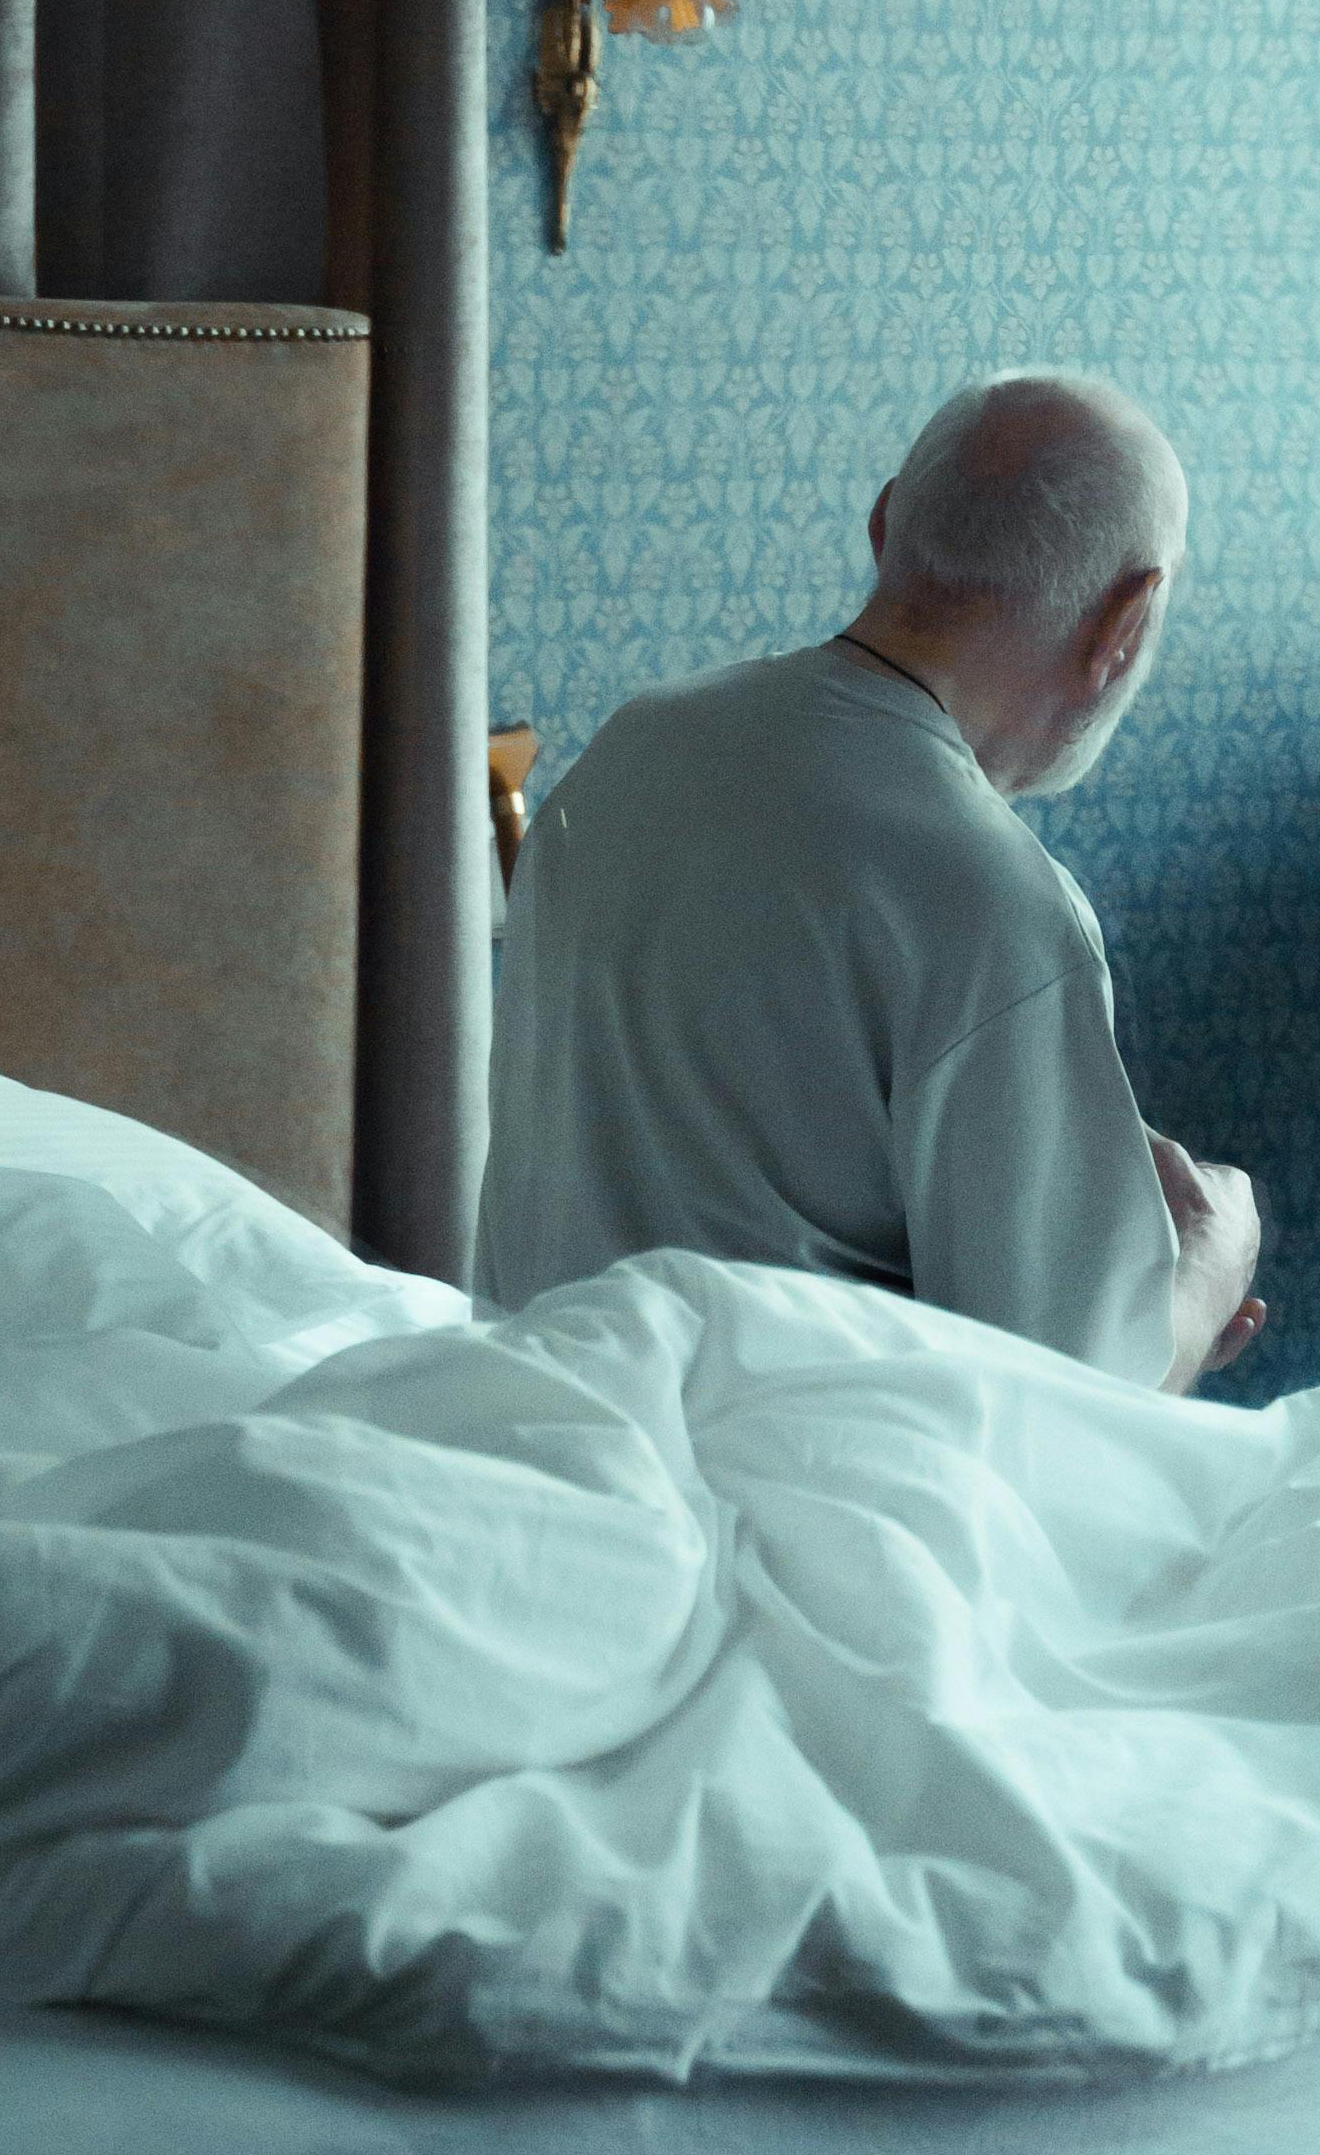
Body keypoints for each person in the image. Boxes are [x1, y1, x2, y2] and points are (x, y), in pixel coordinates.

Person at [472, 372, 1266, 1393]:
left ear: (885, 523)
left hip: (538, 1435)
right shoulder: (994, 902)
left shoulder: (632, 748)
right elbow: (1065, 1417)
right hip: (785, 1508)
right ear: (1126, 619)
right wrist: (1205, 1270)